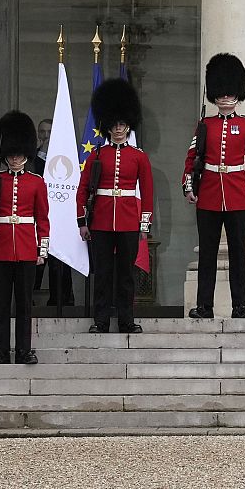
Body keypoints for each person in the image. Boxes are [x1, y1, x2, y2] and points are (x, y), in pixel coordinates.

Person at [183, 53, 245, 320]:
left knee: (239, 252)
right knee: (208, 252)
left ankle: (240, 304)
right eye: (221, 92)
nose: (226, 97)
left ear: (238, 94)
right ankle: (204, 305)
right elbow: (192, 158)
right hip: (209, 194)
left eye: (230, 92)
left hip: (238, 194)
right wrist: (189, 186)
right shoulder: (205, 125)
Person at [78, 78, 154, 335]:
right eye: (114, 124)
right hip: (101, 221)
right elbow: (83, 189)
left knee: (125, 275)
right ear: (107, 126)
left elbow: (147, 191)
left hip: (129, 221)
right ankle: (100, 320)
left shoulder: (139, 157)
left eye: (122, 124)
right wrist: (82, 222)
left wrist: (144, 225)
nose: (118, 128)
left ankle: (126, 320)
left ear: (128, 125)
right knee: (102, 274)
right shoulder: (97, 155)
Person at [0, 112, 51, 365]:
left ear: (26, 154)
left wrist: (42, 249)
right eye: (11, 154)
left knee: (24, 306)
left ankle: (24, 350)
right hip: (1, 250)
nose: (15, 158)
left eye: (19, 154)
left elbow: (42, 220)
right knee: (1, 305)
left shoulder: (36, 183)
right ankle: (1, 351)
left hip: (27, 250)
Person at [33, 117, 77, 310]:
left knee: (60, 264)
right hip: (38, 216)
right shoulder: (30, 158)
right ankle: (31, 299)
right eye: (42, 132)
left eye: (50, 133)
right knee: (37, 262)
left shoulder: (66, 158)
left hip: (61, 218)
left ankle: (62, 300)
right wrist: (42, 151)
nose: (46, 136)